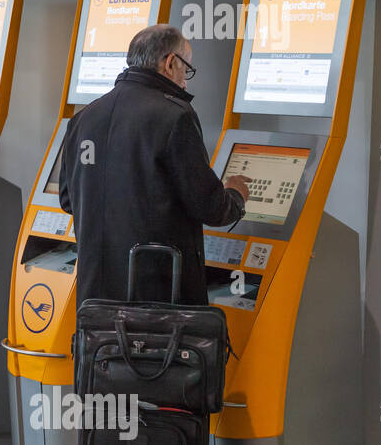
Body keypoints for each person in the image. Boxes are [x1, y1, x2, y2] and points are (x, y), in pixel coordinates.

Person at [59, 24, 250, 307]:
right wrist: (235, 194)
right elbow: (211, 207)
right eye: (186, 69)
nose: (185, 82)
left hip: (95, 301)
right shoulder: (174, 117)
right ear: (170, 62)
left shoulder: (84, 117)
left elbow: (68, 200)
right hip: (159, 302)